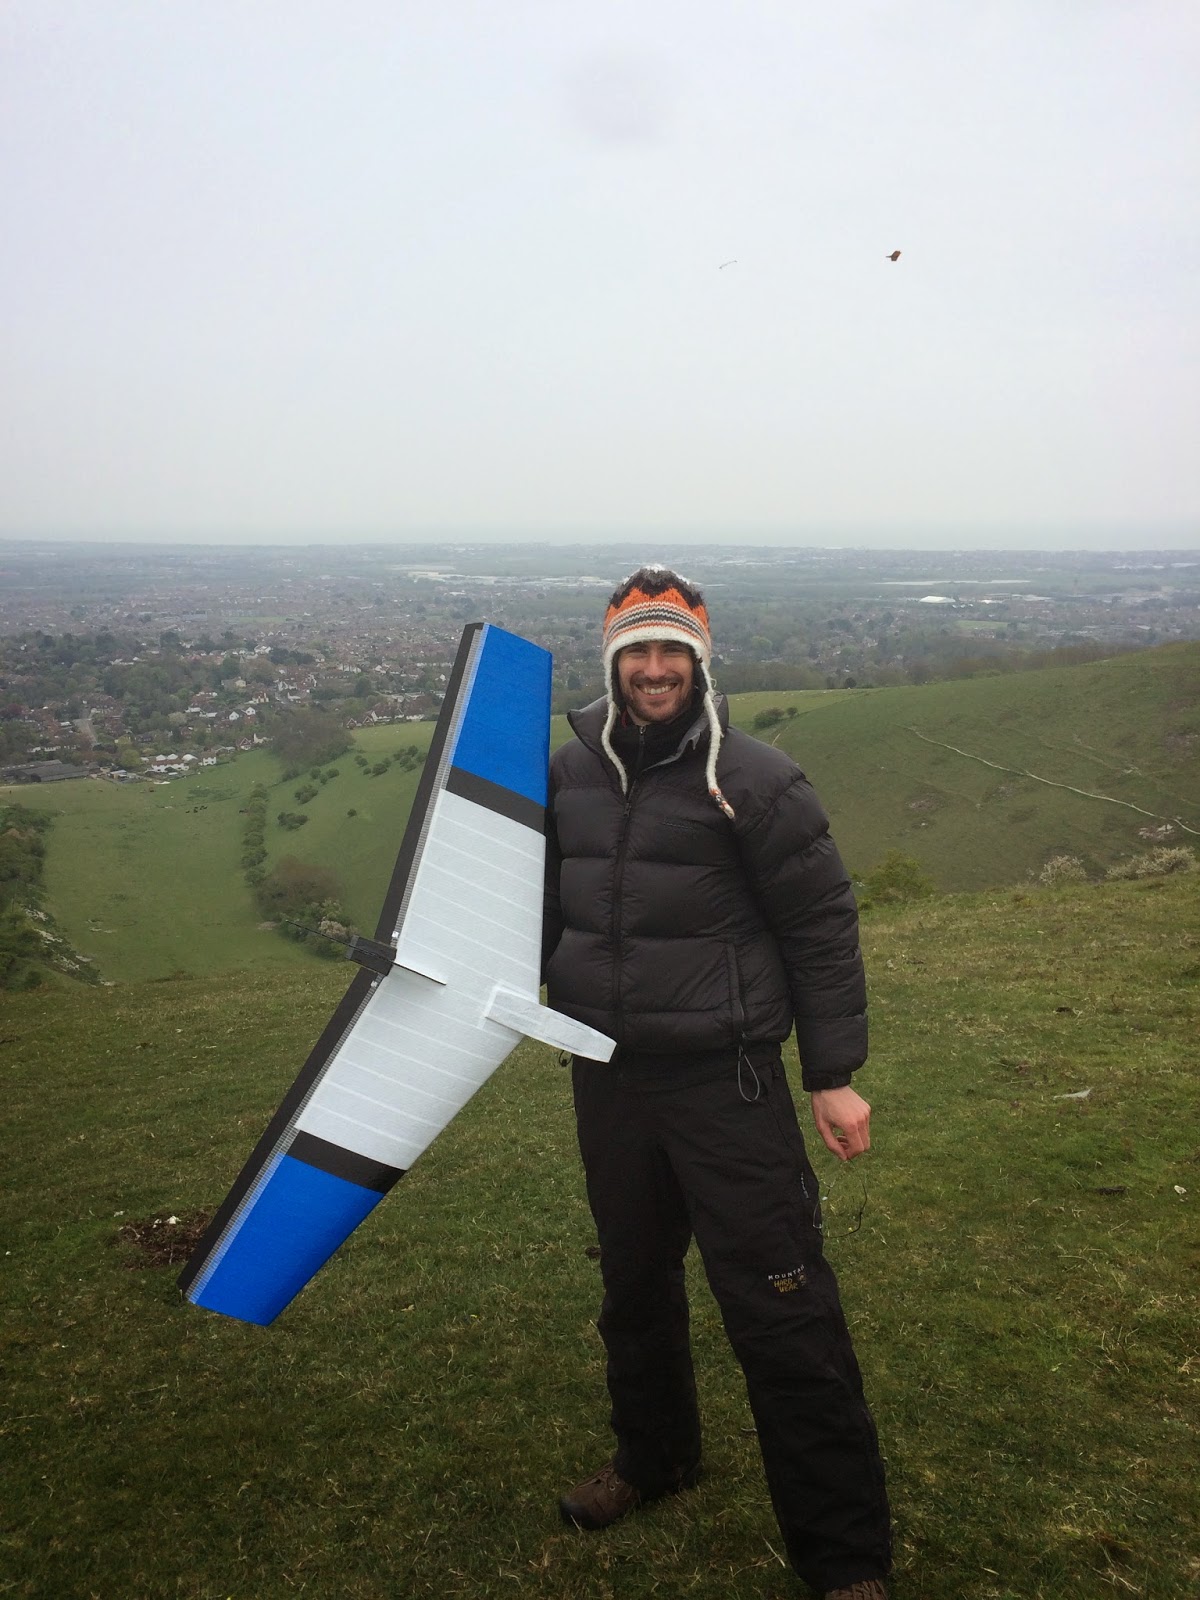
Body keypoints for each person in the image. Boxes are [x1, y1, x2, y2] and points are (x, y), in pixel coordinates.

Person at [541, 566, 892, 1600]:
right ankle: (657, 1458)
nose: (653, 669)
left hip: (727, 1082)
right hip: (607, 1076)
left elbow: (822, 925)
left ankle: (846, 1558)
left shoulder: (758, 778)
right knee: (633, 1286)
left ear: (698, 661)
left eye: (671, 651)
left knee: (782, 1308)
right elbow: (539, 905)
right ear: (611, 664)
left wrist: (831, 1075)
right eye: (635, 653)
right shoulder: (568, 775)